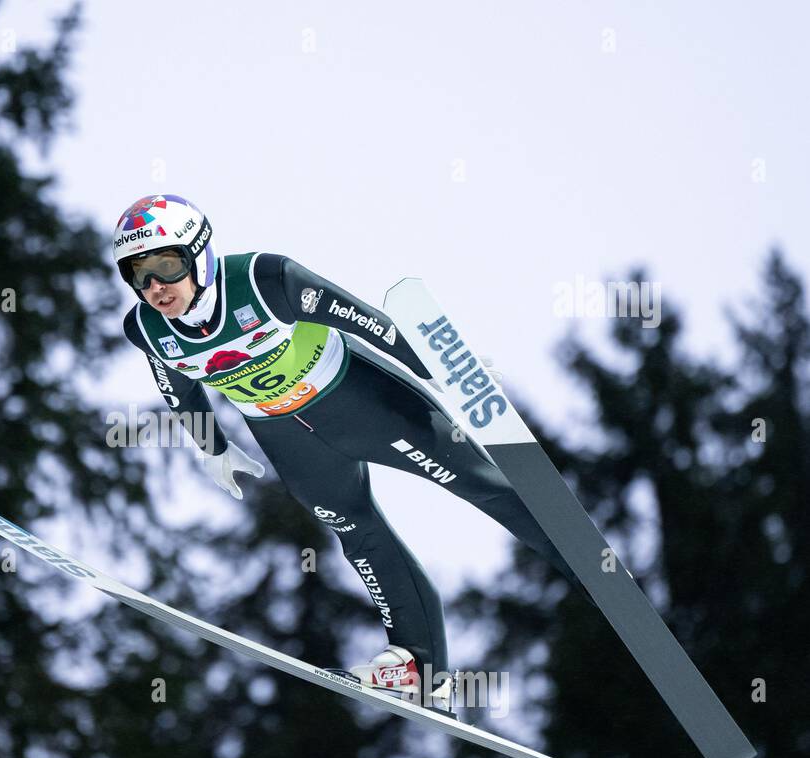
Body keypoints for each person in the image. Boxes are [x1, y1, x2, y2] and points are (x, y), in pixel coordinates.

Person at [113, 193, 584, 714]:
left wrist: (444, 371)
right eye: (138, 275)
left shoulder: (266, 281)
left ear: (199, 254)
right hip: (287, 436)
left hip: (360, 402)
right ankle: (419, 668)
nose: (155, 287)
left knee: (476, 485)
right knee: (356, 533)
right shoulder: (146, 329)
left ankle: (588, 564)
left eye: (166, 265)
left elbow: (371, 324)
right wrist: (213, 448)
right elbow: (177, 387)